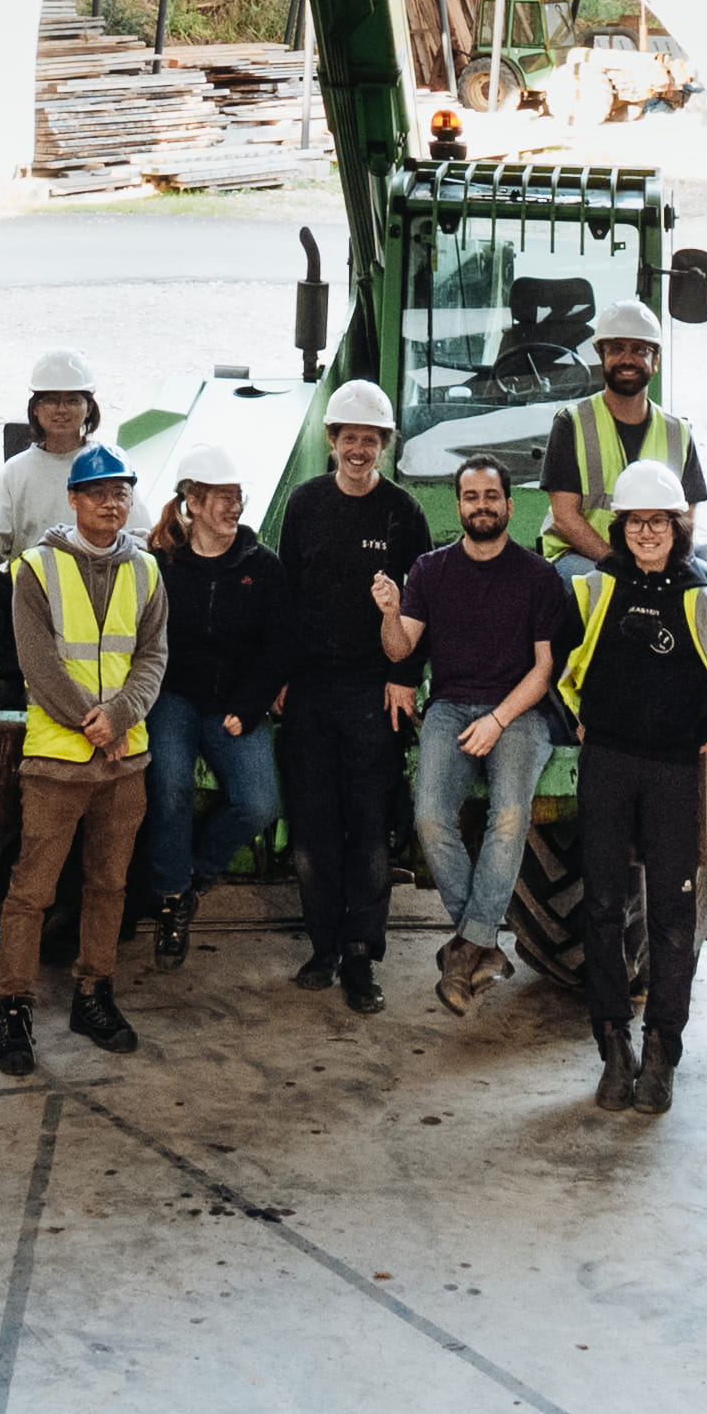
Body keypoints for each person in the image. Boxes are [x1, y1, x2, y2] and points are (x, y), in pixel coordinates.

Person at [552, 459, 707, 1117]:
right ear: (622, 526)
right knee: (604, 911)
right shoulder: (593, 590)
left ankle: (663, 1051)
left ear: (678, 526)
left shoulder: (701, 597)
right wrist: (575, 721)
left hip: (674, 773)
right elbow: (556, 663)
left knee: (673, 922)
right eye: (636, 521)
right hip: (609, 766)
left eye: (659, 522)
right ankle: (614, 1047)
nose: (647, 532)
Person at [0, 443, 169, 1077]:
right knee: (31, 892)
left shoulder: (147, 571)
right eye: (97, 492)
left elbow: (152, 657)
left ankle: (94, 993)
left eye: (120, 492)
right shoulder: (35, 570)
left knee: (110, 886)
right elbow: (37, 663)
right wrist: (92, 724)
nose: (110, 502)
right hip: (58, 762)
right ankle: (13, 1008)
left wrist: (119, 717)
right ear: (73, 499)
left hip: (125, 762)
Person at [275, 377, 432, 1013]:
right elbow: (284, 597)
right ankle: (323, 946)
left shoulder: (405, 514)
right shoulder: (305, 504)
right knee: (312, 827)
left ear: (385, 445)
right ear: (332, 442)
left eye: (371, 439)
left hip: (374, 689)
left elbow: (420, 607)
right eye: (350, 438)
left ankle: (362, 955)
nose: (360, 449)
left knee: (368, 829)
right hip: (309, 689)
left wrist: (404, 676)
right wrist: (281, 676)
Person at [392, 453, 571, 1014]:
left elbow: (544, 672)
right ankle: (485, 943)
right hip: (448, 707)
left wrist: (498, 720)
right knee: (429, 817)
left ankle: (467, 947)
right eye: (471, 497)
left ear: (509, 506)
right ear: (460, 505)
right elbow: (400, 648)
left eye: (491, 497)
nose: (482, 506)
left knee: (510, 814)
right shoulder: (429, 570)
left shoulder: (537, 577)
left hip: (519, 710)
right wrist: (387, 611)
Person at [142, 440, 287, 971]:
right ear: (192, 502)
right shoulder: (161, 565)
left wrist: (248, 707)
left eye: (237, 496)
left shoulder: (261, 566)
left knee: (257, 803)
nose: (233, 506)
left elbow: (279, 646)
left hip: (234, 703)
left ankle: (193, 874)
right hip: (173, 698)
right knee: (170, 782)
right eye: (221, 497)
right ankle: (170, 898)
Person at [537, 298, 707, 574]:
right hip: (584, 556)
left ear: (655, 361)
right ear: (602, 356)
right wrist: (623, 568)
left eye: (639, 350)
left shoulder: (678, 432)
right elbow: (565, 517)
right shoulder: (572, 423)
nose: (627, 358)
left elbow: (686, 517)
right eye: (616, 348)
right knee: (585, 590)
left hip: (656, 558)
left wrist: (655, 565)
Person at [0, 348, 156, 565]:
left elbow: (141, 538)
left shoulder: (108, 465)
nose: (61, 410)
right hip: (32, 591)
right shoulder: (17, 470)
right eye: (51, 400)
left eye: (72, 400)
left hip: (100, 587)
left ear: (88, 409)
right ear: (36, 409)